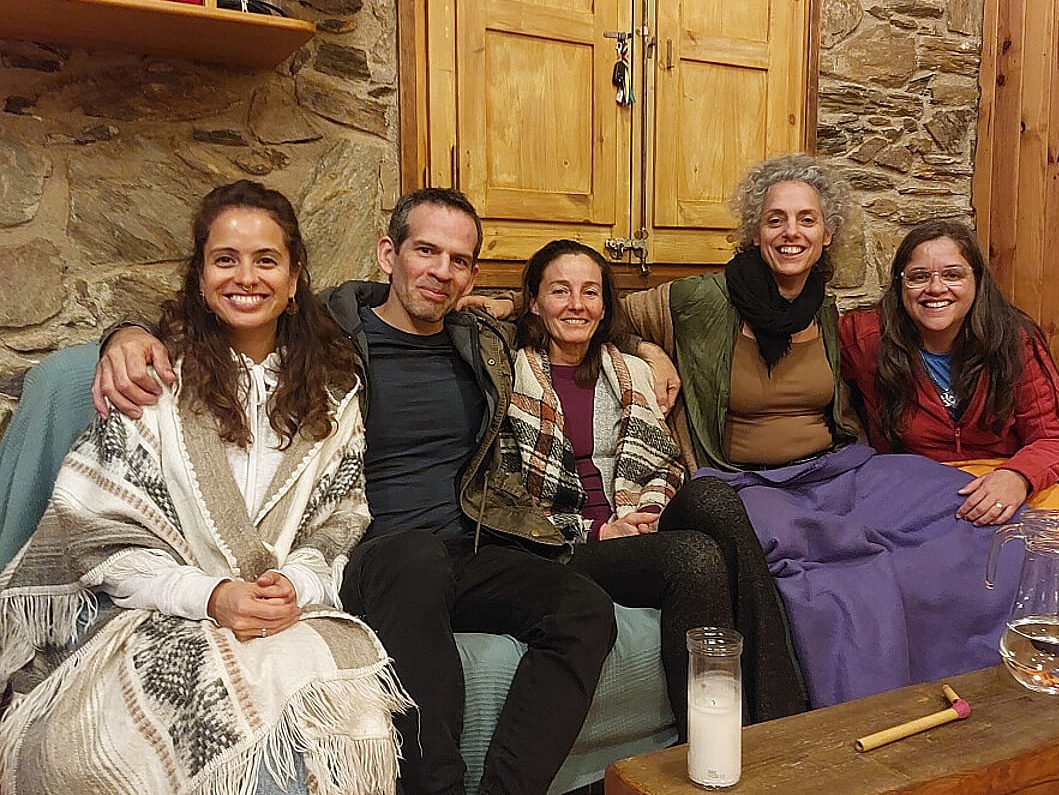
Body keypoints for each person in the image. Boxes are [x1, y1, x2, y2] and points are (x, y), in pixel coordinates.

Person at [92, 188, 671, 795]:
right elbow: (229, 306)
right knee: (414, 557)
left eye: (458, 260)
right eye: (425, 251)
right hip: (372, 551)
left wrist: (648, 350)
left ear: (471, 274)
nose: (440, 271)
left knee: (583, 611)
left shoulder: (479, 340)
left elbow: (563, 323)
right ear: (387, 253)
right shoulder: (326, 330)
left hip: (471, 543)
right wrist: (124, 334)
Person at [0, 180, 408, 795]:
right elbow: (104, 540)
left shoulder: (334, 393)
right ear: (200, 275)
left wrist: (293, 584)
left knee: (335, 722)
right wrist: (211, 595)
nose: (246, 277)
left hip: (283, 609)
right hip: (159, 610)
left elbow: (339, 522)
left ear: (295, 279)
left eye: (266, 260)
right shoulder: (148, 381)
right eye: (226, 259)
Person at [604, 154, 1023, 707]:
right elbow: (601, 311)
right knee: (848, 571)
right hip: (747, 484)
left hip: (839, 468)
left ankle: (985, 697)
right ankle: (866, 722)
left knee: (976, 514)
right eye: (775, 219)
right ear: (754, 232)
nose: (791, 232)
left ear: (828, 234)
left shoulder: (827, 312)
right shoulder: (701, 300)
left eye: (807, 219)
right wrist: (649, 350)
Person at [838, 218, 1059, 594]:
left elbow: (1056, 435)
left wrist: (1018, 477)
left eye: (953, 275)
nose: (935, 288)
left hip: (1021, 463)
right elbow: (804, 348)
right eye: (919, 276)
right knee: (1057, 528)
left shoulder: (1012, 338)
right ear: (899, 286)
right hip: (939, 477)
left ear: (976, 281)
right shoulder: (866, 338)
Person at [500, 238, 736, 737]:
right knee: (692, 557)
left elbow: (667, 464)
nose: (576, 305)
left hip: (638, 522)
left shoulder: (629, 371)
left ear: (605, 305)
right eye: (560, 291)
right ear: (536, 303)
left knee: (716, 495)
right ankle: (706, 737)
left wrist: (649, 512)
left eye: (590, 292)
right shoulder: (508, 377)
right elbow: (507, 496)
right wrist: (599, 532)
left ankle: (771, 716)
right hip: (569, 545)